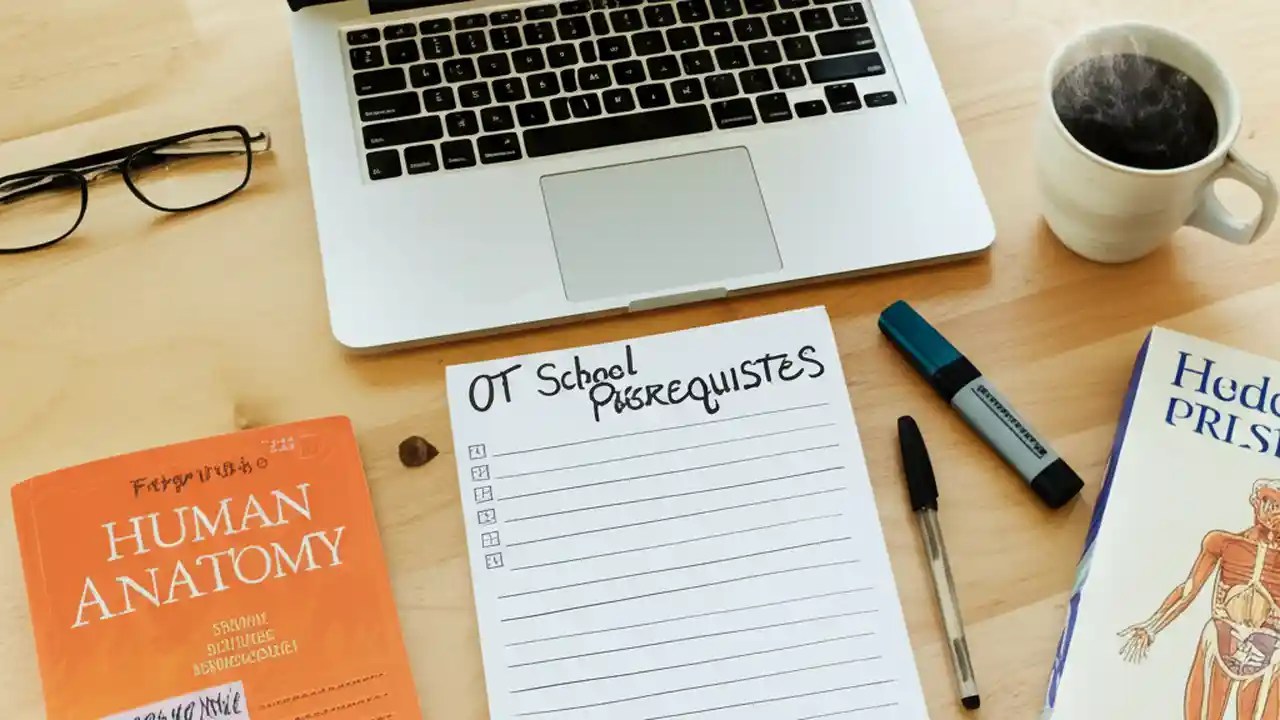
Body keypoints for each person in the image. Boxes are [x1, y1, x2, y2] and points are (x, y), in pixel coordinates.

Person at [1120, 478, 1280, 720]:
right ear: (1255, 502)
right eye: (1270, 503)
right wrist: (1151, 627)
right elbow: (1189, 590)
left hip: (1269, 646)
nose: (1275, 512)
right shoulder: (1223, 542)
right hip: (1222, 636)